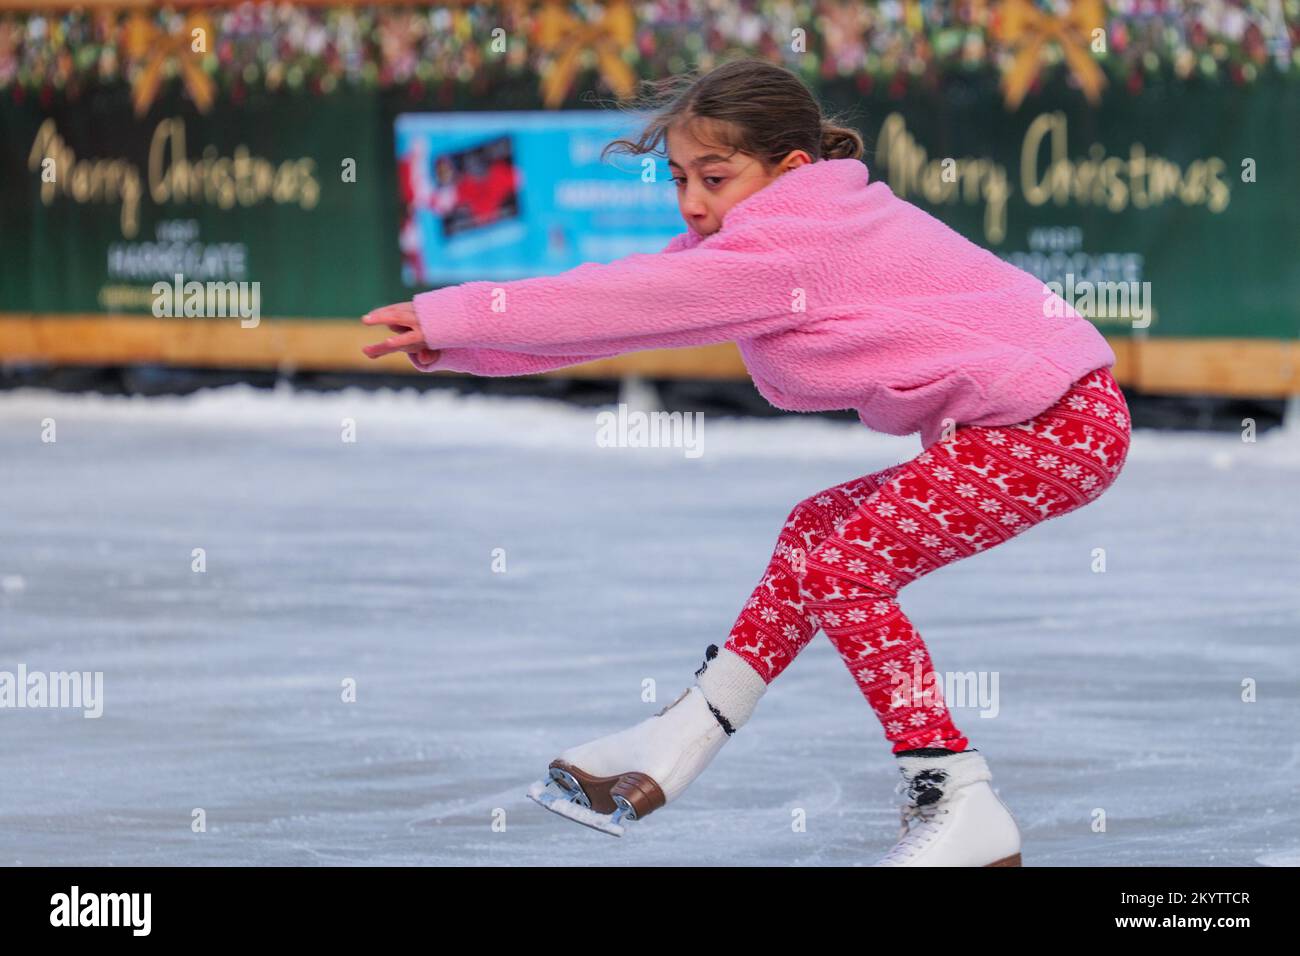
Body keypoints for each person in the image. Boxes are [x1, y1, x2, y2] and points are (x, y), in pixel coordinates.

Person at [361, 57, 1131, 866]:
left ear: (790, 170)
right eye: (680, 177)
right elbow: (629, 317)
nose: (693, 202)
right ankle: (687, 731)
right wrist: (461, 344)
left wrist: (453, 312)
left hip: (1052, 426)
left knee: (846, 566)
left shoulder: (789, 249)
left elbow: (615, 303)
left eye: (716, 177)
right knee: (815, 535)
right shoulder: (801, 227)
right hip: (1048, 418)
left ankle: (953, 790)